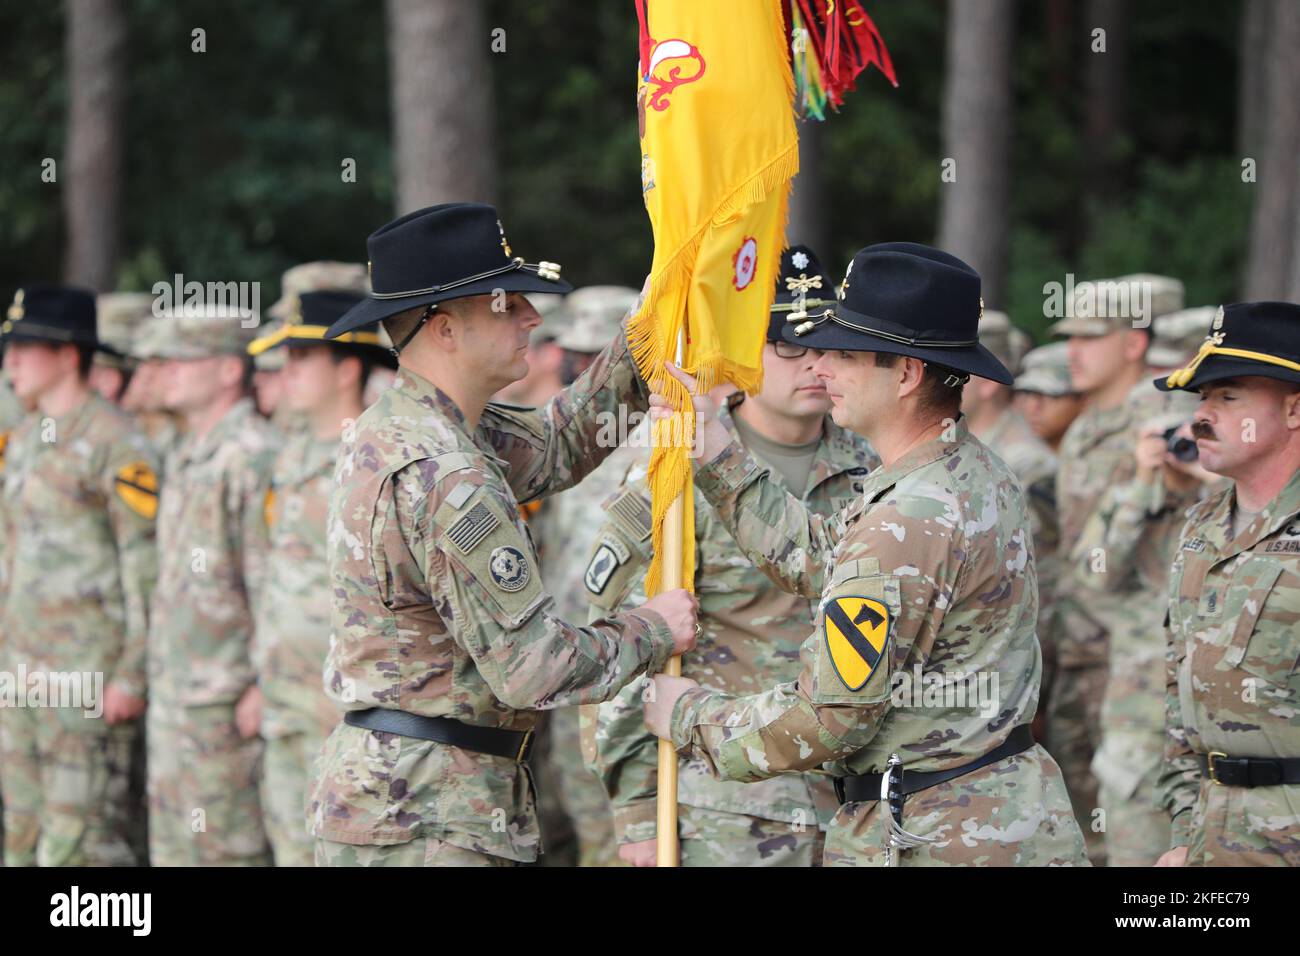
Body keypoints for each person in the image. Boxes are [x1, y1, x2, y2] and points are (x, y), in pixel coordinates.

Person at [643, 242, 1087, 866]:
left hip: (936, 834)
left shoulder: (910, 515)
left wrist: (690, 717)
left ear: (906, 375)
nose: (821, 369)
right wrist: (718, 453)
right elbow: (824, 557)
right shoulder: (965, 469)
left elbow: (829, 716)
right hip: (984, 816)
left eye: (844, 355)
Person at [307, 202, 697, 867]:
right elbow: (532, 668)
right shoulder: (447, 469)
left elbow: (555, 445)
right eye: (505, 302)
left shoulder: (412, 425)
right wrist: (655, 628)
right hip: (431, 813)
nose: (531, 316)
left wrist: (650, 335)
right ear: (446, 329)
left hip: (410, 796)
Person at [589, 245, 879, 867]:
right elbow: (624, 646)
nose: (816, 366)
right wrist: (638, 814)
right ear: (742, 352)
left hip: (859, 802)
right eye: (789, 347)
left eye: (827, 345)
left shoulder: (874, 466)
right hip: (730, 806)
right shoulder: (676, 475)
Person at [0, 284, 157, 866]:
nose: (10, 358)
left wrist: (131, 675)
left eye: (25, 345)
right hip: (20, 674)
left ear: (69, 354)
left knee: (85, 845)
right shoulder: (22, 441)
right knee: (20, 834)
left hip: (85, 679)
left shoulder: (116, 442)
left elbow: (144, 567)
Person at [245, 287, 394, 866]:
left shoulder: (374, 459)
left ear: (347, 368)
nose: (289, 372)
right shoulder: (290, 455)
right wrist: (260, 677)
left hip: (346, 711)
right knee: (289, 848)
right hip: (286, 699)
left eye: (303, 357)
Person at [1154, 301, 1300, 867]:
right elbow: (1179, 692)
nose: (1202, 416)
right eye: (1202, 398)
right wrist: (1182, 833)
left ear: (1293, 409)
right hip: (1212, 836)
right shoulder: (1202, 525)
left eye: (1227, 396)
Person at [1046, 273, 1184, 863]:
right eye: (1069, 336)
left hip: (1139, 663)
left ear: (1134, 343)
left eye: (1090, 336)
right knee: (1085, 833)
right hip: (1081, 653)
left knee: (1144, 839)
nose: (1073, 350)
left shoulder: (1169, 422)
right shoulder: (1084, 428)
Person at [147, 304, 277, 866]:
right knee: (176, 847)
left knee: (225, 849)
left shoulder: (252, 455)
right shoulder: (185, 451)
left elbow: (271, 580)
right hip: (178, 691)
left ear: (228, 370)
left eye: (184, 358)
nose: (167, 369)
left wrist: (261, 683)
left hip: (226, 698)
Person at [525, 283, 642, 868]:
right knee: (565, 817)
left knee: (610, 835)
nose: (576, 370)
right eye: (575, 357)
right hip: (564, 663)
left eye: (590, 357)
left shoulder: (658, 449)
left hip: (623, 676)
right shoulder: (570, 447)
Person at [1013, 342, 1085, 453]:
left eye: (1050, 395)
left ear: (1083, 399)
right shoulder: (1017, 455)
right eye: (1028, 392)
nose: (1033, 407)